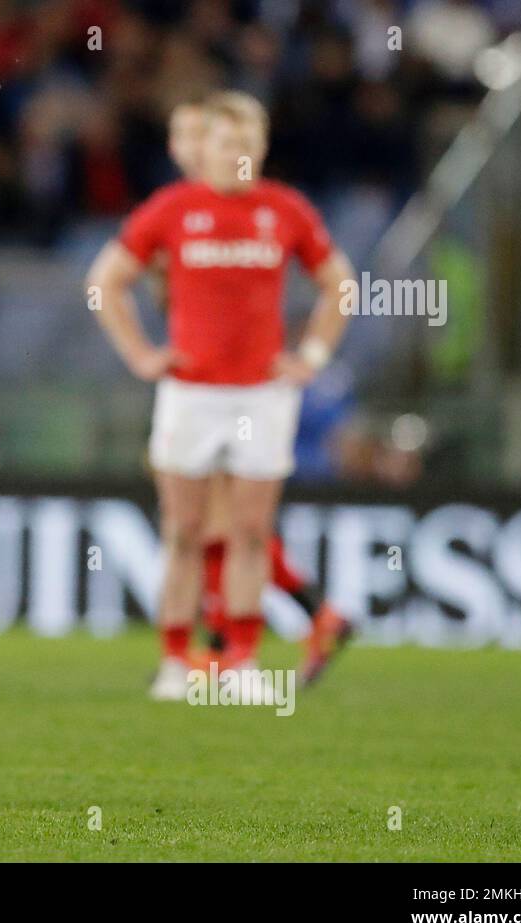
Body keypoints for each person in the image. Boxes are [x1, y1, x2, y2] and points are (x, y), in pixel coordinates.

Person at [87, 91, 355, 701]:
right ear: (204, 147)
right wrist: (140, 355)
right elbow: (106, 281)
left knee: (249, 532)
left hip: (263, 395)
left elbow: (340, 283)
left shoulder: (284, 209)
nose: (239, 155)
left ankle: (240, 662)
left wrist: (311, 357)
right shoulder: (173, 208)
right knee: (183, 531)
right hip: (191, 393)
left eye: (249, 143)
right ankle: (177, 662)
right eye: (227, 143)